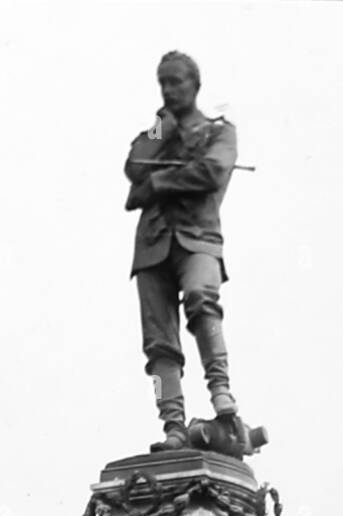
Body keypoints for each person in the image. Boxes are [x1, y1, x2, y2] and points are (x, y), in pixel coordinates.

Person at [124, 52, 242, 451]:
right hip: (153, 247)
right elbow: (135, 163)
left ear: (196, 84)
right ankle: (172, 426)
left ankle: (221, 389)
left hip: (199, 239)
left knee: (201, 298)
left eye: (177, 81)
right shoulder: (158, 134)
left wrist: (157, 184)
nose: (170, 90)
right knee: (158, 344)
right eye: (163, 83)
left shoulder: (219, 133)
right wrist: (162, 127)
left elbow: (211, 172)